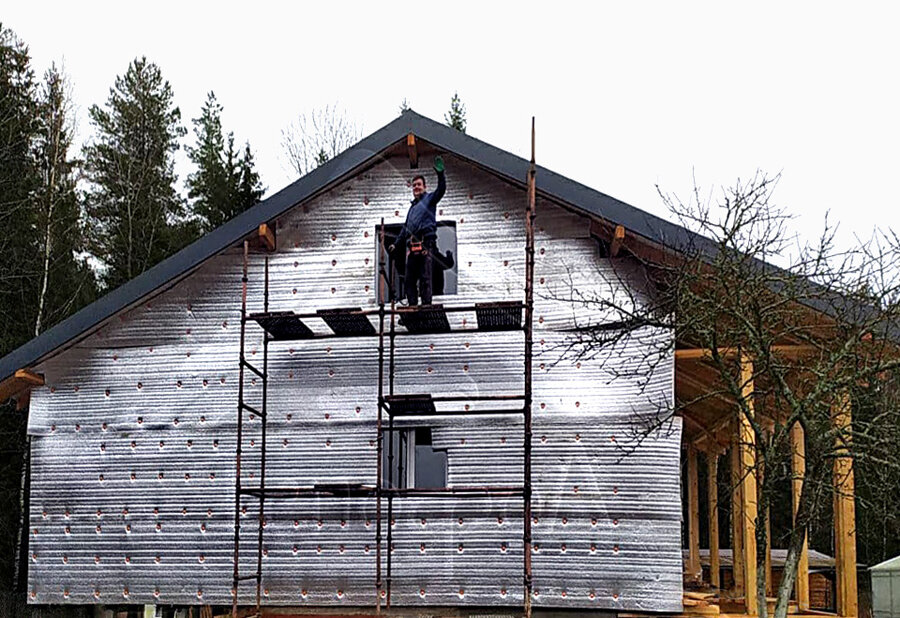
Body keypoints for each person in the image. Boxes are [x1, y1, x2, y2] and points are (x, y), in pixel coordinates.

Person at [390, 156, 446, 305]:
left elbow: (441, 190)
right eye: (414, 185)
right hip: (412, 247)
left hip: (426, 243)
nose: (416, 187)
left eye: (419, 185)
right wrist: (396, 244)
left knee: (425, 278)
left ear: (425, 187)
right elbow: (405, 228)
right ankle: (413, 307)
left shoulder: (430, 199)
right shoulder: (412, 209)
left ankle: (426, 307)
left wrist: (441, 174)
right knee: (409, 280)